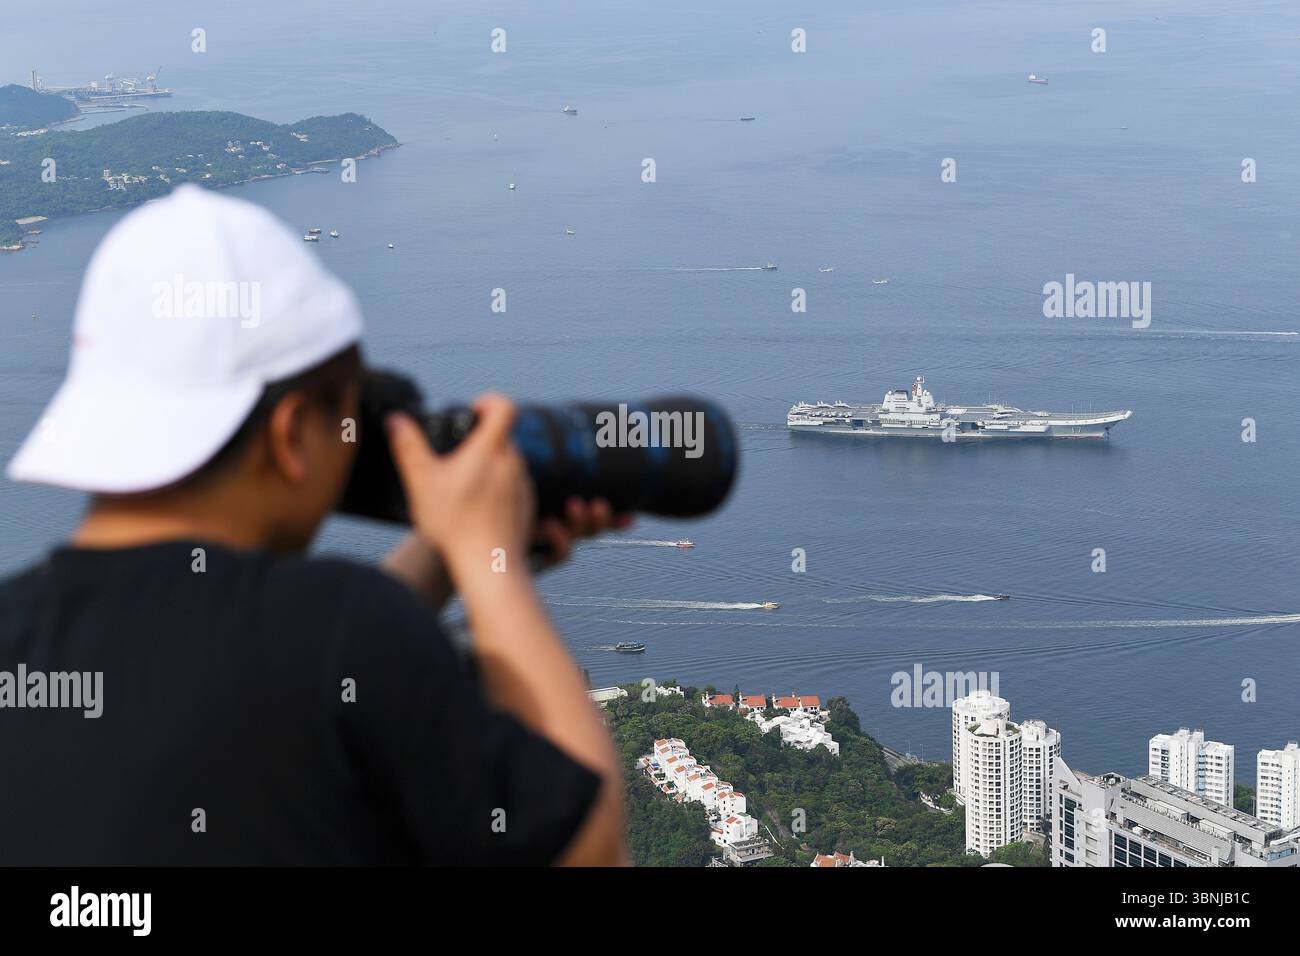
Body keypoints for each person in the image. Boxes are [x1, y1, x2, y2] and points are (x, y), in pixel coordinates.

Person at [0, 185, 629, 866]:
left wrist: (445, 549)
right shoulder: (342, 625)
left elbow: (243, 677)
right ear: (292, 432)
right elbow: (584, 847)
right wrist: (488, 559)